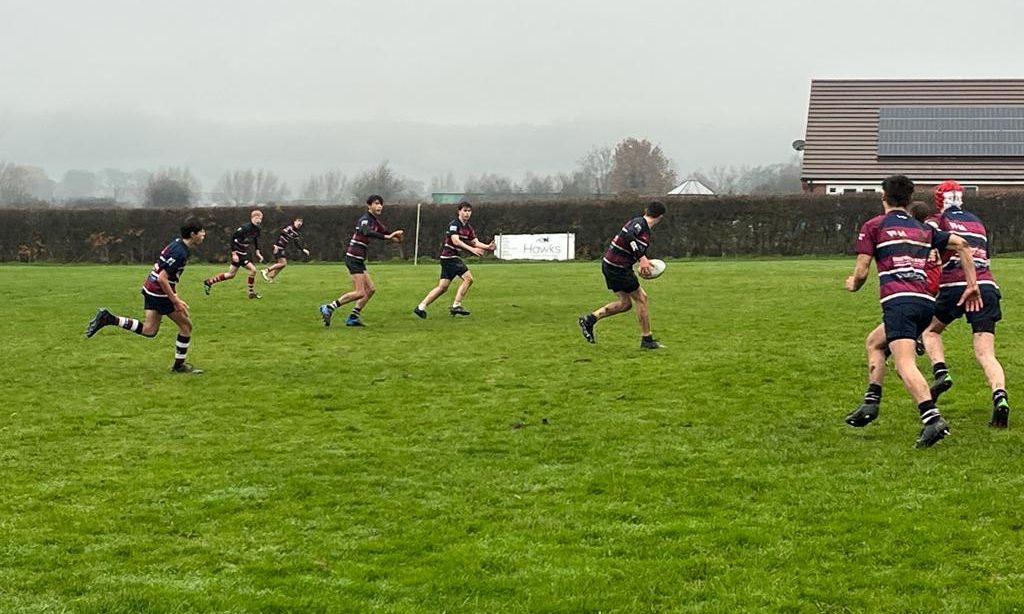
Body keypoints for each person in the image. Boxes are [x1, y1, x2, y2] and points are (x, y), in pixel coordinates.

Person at [844, 175, 981, 448]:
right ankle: (871, 402)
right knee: (874, 343)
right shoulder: (923, 228)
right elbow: (963, 245)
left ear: (884, 196)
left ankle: (932, 419)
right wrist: (972, 285)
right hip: (926, 302)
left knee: (904, 363)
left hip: (899, 301)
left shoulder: (874, 225)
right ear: (909, 200)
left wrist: (853, 284)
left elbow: (861, 272)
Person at [921, 180, 1011, 428]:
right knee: (986, 353)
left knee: (930, 331)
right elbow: (985, 258)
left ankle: (941, 371)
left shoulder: (937, 219)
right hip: (986, 287)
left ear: (939, 199)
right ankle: (1000, 396)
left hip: (954, 285)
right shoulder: (977, 221)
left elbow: (926, 241)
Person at [84, 221, 207, 373]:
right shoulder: (180, 253)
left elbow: (168, 276)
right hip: (159, 292)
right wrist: (175, 301)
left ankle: (109, 319)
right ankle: (179, 366)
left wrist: (176, 297)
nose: (204, 234)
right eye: (201, 232)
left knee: (149, 330)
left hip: (150, 287)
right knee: (186, 326)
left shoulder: (176, 244)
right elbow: (163, 278)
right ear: (193, 234)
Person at [578, 201, 666, 349]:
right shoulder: (640, 224)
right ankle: (647, 339)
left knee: (625, 304)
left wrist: (643, 260)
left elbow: (631, 247)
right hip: (617, 267)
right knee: (642, 298)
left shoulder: (642, 227)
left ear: (646, 210)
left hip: (611, 265)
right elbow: (629, 235)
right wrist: (642, 258)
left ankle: (589, 319)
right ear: (660, 217)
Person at [319, 195, 404, 327]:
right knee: (360, 292)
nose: (380, 206)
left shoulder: (375, 221)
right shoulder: (365, 219)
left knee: (371, 289)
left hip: (359, 259)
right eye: (376, 203)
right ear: (369, 205)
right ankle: (329, 307)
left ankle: (353, 317)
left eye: (381, 204)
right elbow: (366, 231)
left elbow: (386, 232)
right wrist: (388, 237)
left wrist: (396, 237)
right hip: (353, 258)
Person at [413, 201, 496, 319]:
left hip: (448, 258)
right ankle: (456, 305)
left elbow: (475, 242)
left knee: (442, 287)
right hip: (450, 257)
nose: (467, 213)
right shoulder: (454, 224)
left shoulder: (468, 227)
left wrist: (488, 247)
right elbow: (456, 241)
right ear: (459, 211)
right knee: (468, 279)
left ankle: (420, 307)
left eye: (469, 211)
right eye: (465, 211)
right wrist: (472, 250)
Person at [203, 209, 264, 299]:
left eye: (261, 218)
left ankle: (209, 282)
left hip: (243, 252)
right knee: (253, 270)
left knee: (231, 275)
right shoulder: (245, 228)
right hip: (239, 253)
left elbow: (255, 240)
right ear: (252, 218)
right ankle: (251, 293)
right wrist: (234, 253)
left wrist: (257, 252)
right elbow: (233, 238)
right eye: (257, 218)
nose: (259, 220)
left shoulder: (257, 229)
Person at [262, 216, 310, 283]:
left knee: (283, 264)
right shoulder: (290, 228)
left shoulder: (296, 233)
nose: (299, 223)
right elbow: (282, 232)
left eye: (301, 221)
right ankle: (266, 270)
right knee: (282, 263)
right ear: (294, 222)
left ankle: (271, 278)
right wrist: (290, 237)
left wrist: (303, 250)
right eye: (298, 221)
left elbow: (296, 243)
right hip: (277, 246)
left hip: (282, 248)